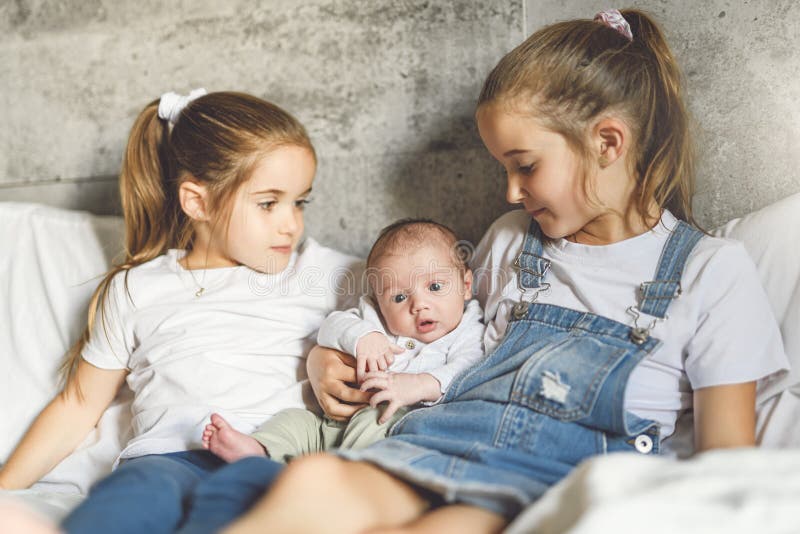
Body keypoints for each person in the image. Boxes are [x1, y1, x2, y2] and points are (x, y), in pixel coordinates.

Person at [223, 9, 790, 534]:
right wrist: (327, 356)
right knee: (312, 481)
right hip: (443, 439)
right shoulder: (511, 241)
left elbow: (725, 464)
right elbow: (428, 329)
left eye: (525, 167)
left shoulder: (711, 270)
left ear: (608, 143)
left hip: (550, 479)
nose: (512, 193)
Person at [0, 89, 362, 534]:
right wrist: (5, 488)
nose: (292, 223)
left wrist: (327, 355)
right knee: (128, 501)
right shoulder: (138, 288)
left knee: (259, 505)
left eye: (300, 201)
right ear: (198, 202)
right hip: (162, 461)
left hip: (266, 457)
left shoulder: (321, 271)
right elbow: (77, 404)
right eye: (269, 203)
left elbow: (422, 299)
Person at [202, 219, 486, 464]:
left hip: (391, 421)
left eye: (435, 287)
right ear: (379, 301)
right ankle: (258, 450)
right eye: (399, 297)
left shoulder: (467, 330)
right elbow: (331, 326)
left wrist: (421, 384)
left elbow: (469, 368)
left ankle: (347, 478)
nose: (419, 305)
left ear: (465, 286)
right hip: (331, 423)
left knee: (373, 423)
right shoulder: (374, 318)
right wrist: (363, 337)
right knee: (293, 422)